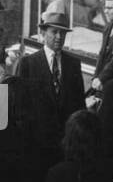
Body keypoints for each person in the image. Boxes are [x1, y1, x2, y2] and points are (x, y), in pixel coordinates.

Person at [16, 11, 87, 160]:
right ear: (43, 33)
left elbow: (80, 104)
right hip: (36, 144)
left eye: (63, 33)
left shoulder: (73, 64)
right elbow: (19, 105)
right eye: (54, 32)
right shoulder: (28, 63)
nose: (59, 37)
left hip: (66, 145)